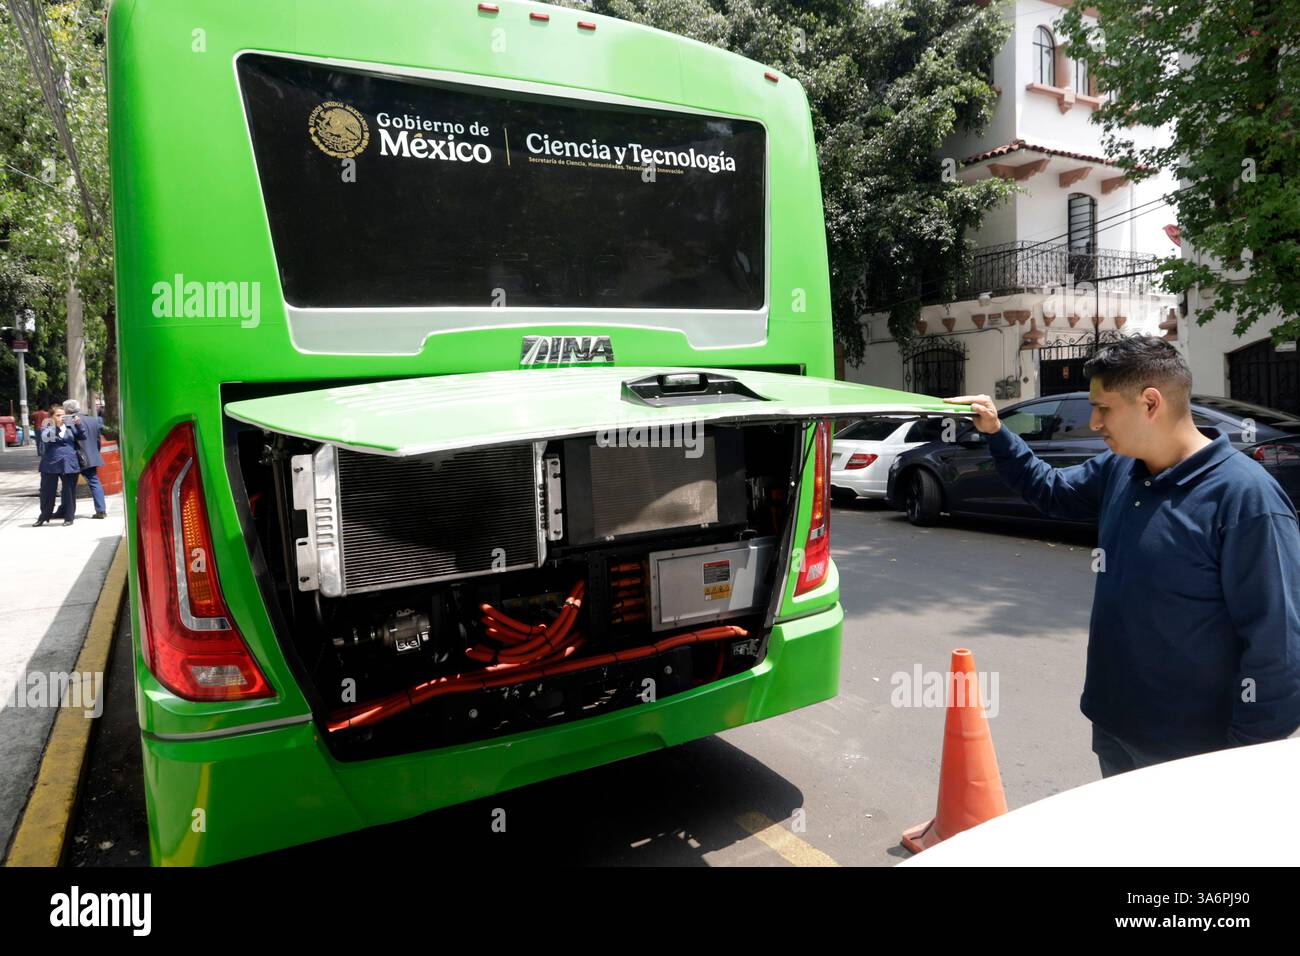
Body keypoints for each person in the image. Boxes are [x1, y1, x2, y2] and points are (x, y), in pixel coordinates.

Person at [948, 335, 1300, 777]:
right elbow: (1051, 491)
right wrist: (998, 434)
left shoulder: (1245, 499)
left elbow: (1278, 649)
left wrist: (1242, 763)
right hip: (1115, 727)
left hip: (1193, 756)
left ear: (1151, 403)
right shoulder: (1123, 468)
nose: (1094, 423)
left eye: (1104, 408)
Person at [35, 404, 86, 526]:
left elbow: (82, 436)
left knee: (69, 491)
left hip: (69, 463)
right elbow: (47, 439)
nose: (61, 417)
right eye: (58, 415)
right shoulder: (48, 426)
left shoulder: (71, 426)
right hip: (50, 463)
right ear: (51, 417)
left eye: (63, 415)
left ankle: (69, 517)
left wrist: (78, 424)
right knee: (47, 491)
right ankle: (44, 516)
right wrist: (53, 424)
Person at [62, 399, 107, 518]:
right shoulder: (93, 420)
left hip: (75, 457)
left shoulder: (68, 421)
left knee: (69, 484)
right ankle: (101, 510)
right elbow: (98, 440)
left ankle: (66, 511)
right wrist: (95, 452)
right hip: (91, 456)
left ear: (66, 410)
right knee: (94, 482)